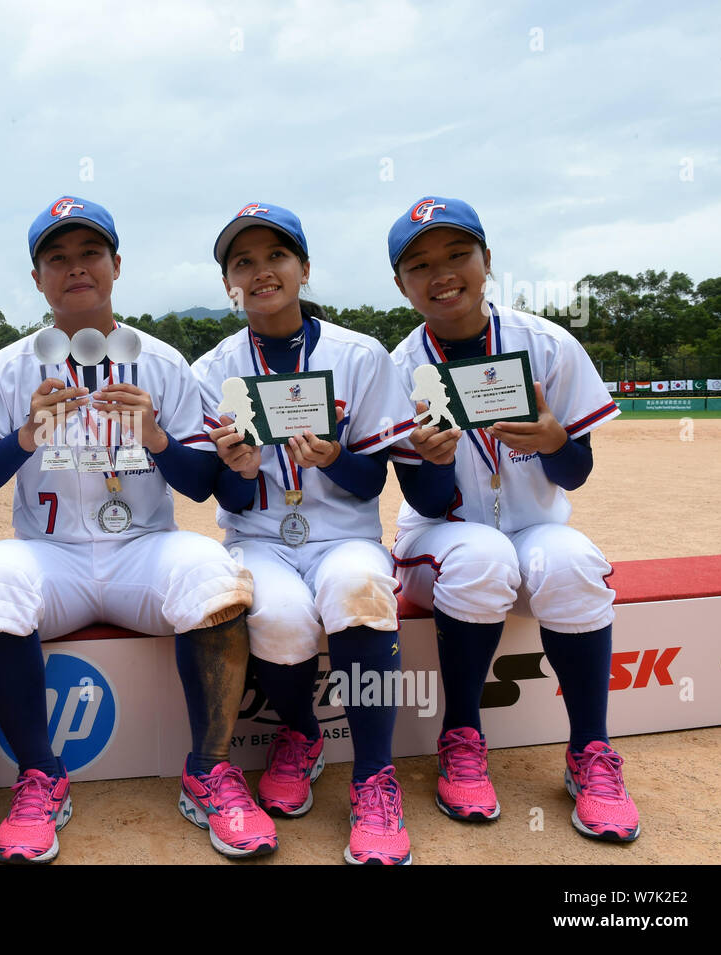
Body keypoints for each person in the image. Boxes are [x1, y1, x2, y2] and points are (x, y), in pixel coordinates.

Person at [0, 196, 268, 863]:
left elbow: (202, 483)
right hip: (51, 553)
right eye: (56, 258)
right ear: (37, 278)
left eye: (90, 253)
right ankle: (40, 773)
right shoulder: (12, 366)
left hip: (142, 550)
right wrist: (24, 435)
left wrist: (156, 436)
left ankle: (209, 769)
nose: (75, 269)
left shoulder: (160, 362)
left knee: (214, 572)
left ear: (116, 265)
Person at [384, 196, 637, 842]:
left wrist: (556, 439)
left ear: (487, 260)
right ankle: (461, 736)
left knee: (574, 555)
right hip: (442, 539)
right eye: (420, 264)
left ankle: (591, 751)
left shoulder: (546, 343)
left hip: (533, 529)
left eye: (457, 254)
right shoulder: (400, 366)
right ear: (400, 283)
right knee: (481, 555)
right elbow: (425, 498)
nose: (442, 273)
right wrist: (434, 461)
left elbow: (574, 473)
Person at [194, 203, 418, 865]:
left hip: (343, 530)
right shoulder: (215, 367)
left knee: (359, 586)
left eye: (275, 256)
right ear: (229, 284)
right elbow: (226, 494)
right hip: (258, 533)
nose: (260, 272)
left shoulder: (360, 353)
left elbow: (372, 480)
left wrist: (333, 458)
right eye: (242, 262)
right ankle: (302, 732)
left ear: (304, 267)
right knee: (282, 619)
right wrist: (236, 469)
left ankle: (375, 774)